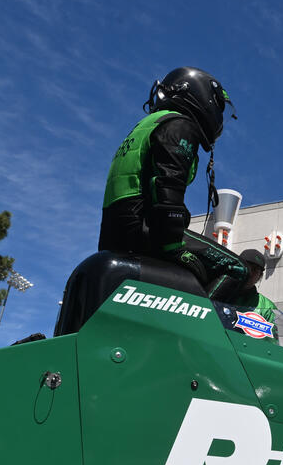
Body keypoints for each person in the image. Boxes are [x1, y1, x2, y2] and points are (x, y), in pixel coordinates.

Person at [99, 67, 247, 300]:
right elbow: (167, 185)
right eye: (217, 107)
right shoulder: (180, 125)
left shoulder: (145, 126)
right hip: (150, 231)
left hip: (116, 234)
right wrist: (172, 246)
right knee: (237, 269)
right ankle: (200, 329)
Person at [229, 248, 278, 343]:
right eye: (247, 267)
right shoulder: (218, 291)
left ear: (260, 276)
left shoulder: (267, 307)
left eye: (255, 270)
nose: (250, 273)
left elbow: (272, 345)